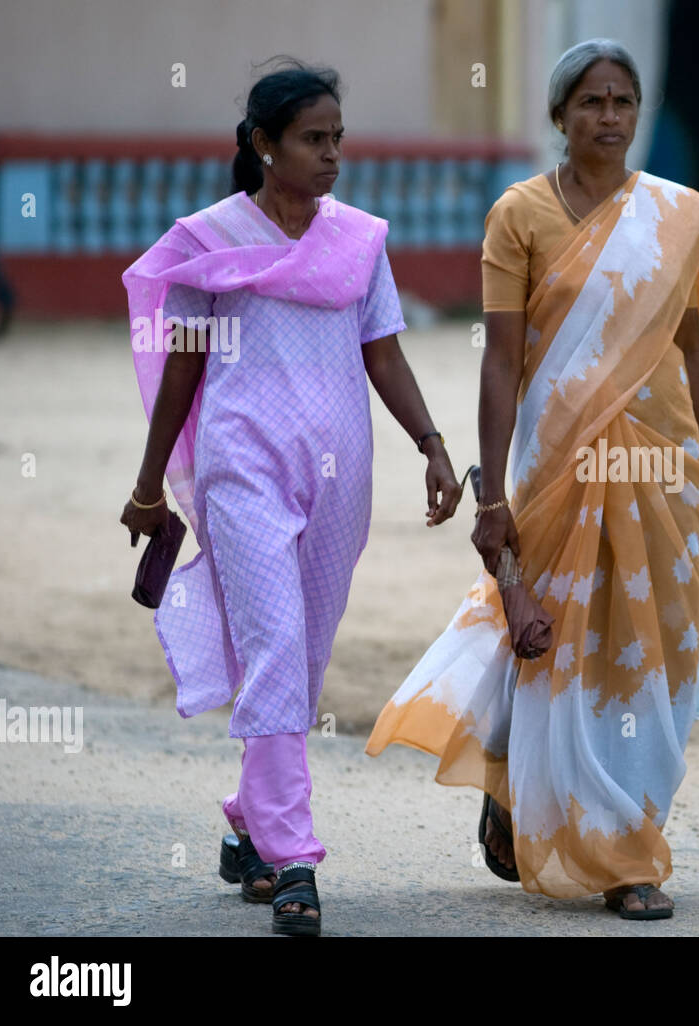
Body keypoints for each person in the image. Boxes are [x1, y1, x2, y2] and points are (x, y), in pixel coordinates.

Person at [366, 39, 699, 919]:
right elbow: (501, 362)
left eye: (622, 102)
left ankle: (574, 799)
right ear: (559, 115)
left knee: (658, 642)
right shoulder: (521, 215)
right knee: (562, 639)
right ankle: (621, 856)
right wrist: (493, 493)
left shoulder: (672, 215)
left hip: (659, 460)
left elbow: (690, 351)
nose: (608, 117)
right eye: (590, 102)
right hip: (555, 461)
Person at [119, 60, 462, 936]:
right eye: (314, 139)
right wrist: (150, 480)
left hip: (340, 473)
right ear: (264, 145)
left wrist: (431, 444)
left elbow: (382, 351)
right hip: (244, 469)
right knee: (273, 642)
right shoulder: (209, 241)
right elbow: (186, 365)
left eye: (338, 138)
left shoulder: (358, 242)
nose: (332, 155)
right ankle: (294, 859)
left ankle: (248, 816)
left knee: (302, 657)